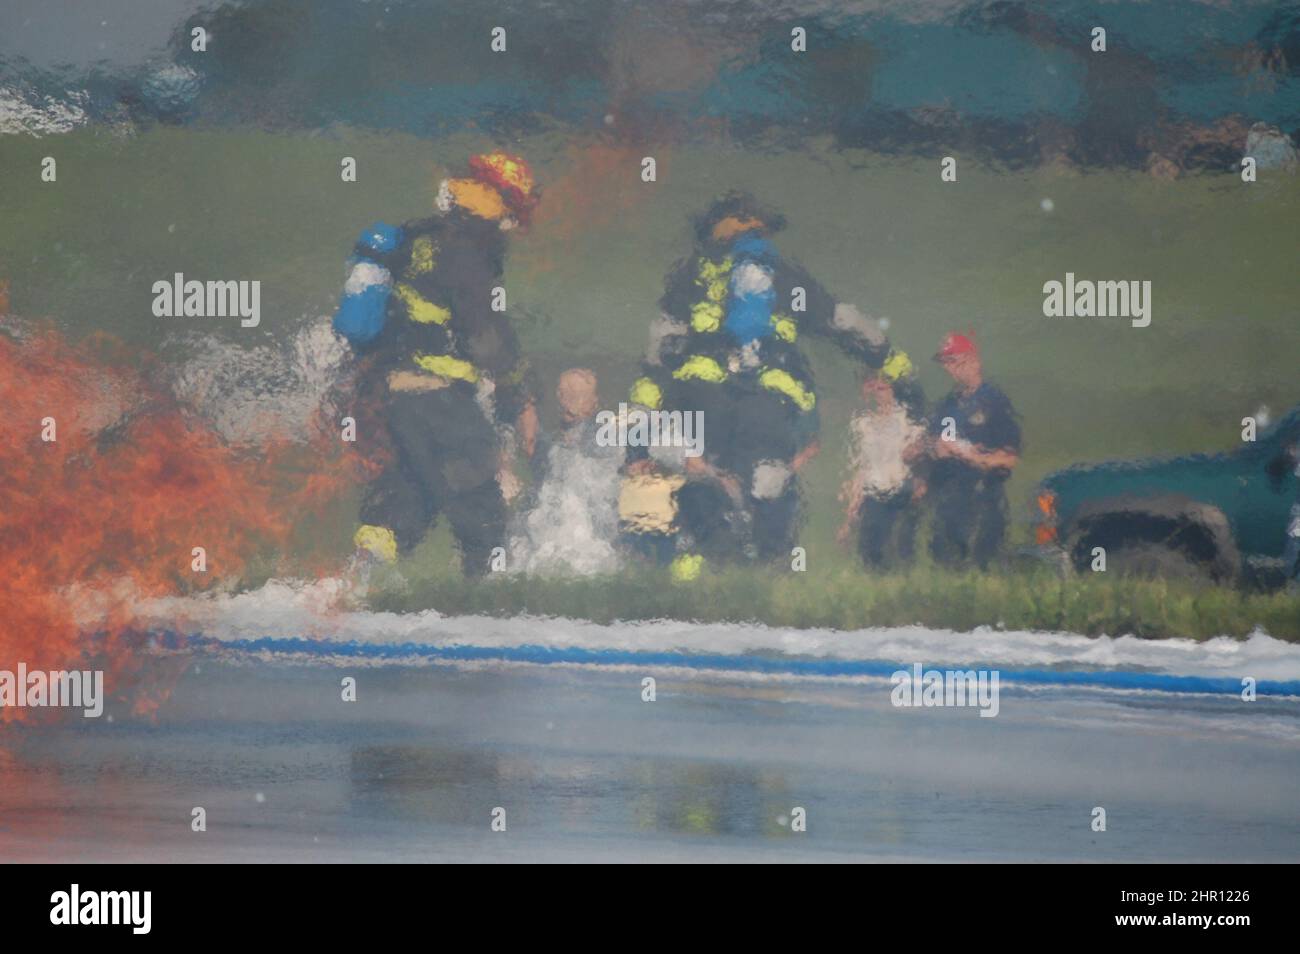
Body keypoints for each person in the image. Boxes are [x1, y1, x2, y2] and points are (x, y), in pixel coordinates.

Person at [628, 192, 891, 575]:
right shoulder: (778, 274)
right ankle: (767, 559)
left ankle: (721, 557)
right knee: (765, 477)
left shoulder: (693, 276)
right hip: (766, 399)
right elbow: (836, 318)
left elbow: (660, 351)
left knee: (709, 475)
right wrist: (878, 350)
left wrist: (641, 420)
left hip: (709, 400)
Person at [332, 152, 540, 577]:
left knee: (409, 492)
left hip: (392, 397)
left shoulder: (413, 240)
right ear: (495, 202)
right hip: (439, 398)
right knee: (481, 492)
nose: (512, 227)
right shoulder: (467, 253)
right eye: (512, 211)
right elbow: (485, 338)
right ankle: (488, 596)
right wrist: (519, 396)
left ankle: (358, 579)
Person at [508, 368, 623, 575]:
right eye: (564, 393)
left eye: (575, 395)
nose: (566, 399)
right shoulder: (556, 438)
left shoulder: (602, 436)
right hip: (553, 511)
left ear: (594, 400)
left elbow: (598, 485)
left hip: (588, 515)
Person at [924, 332, 1021, 569]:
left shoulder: (994, 401)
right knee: (946, 560)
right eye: (947, 364)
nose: (951, 370)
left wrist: (975, 456)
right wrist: (934, 448)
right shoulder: (947, 404)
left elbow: (1009, 457)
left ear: (974, 361)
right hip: (949, 494)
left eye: (956, 361)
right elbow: (932, 438)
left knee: (983, 562)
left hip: (984, 492)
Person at [837, 351, 927, 568]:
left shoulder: (908, 420)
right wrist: (848, 520)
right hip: (873, 494)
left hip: (901, 493)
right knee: (870, 554)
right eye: (873, 388)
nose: (878, 393)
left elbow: (921, 458)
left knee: (901, 552)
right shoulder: (863, 424)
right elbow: (861, 468)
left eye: (882, 388)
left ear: (893, 389)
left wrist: (918, 473)